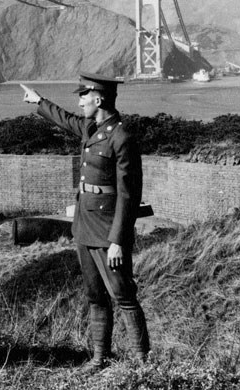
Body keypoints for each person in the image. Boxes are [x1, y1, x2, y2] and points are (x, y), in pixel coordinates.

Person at [20, 73, 150, 372]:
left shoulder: (121, 137)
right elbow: (65, 119)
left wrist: (118, 240)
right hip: (84, 224)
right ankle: (99, 358)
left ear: (99, 99)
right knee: (95, 295)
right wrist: (38, 101)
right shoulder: (91, 128)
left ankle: (142, 364)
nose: (79, 103)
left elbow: (129, 195)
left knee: (123, 295)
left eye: (83, 97)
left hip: (107, 230)